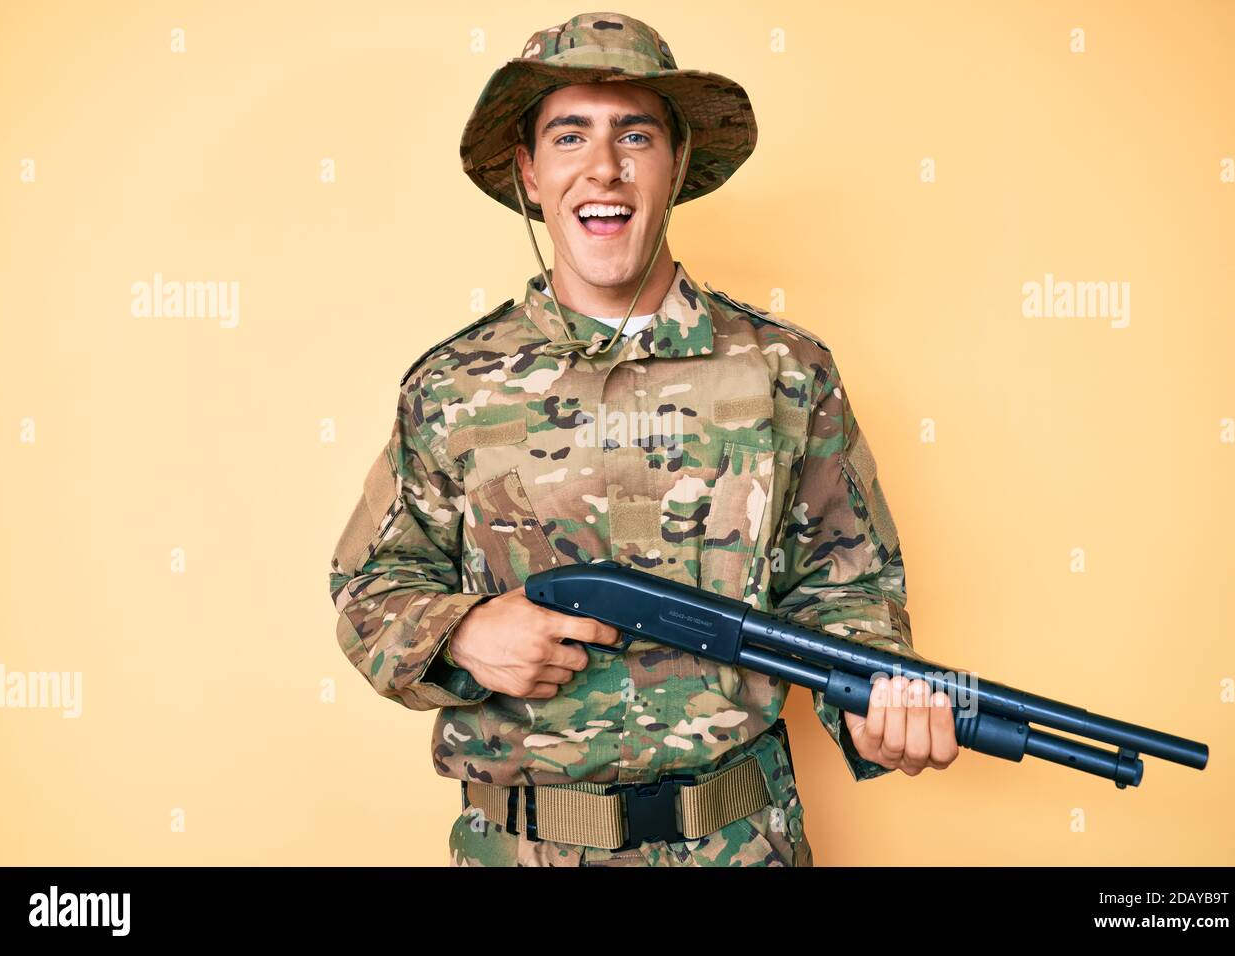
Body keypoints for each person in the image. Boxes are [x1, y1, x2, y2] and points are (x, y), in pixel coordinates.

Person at [328, 11, 957, 868]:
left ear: (678, 164)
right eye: (569, 136)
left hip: (742, 846)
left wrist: (876, 699)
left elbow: (848, 587)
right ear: (530, 173)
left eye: (636, 135)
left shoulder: (785, 369)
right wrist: (463, 632)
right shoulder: (452, 385)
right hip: (519, 851)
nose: (604, 168)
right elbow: (372, 588)